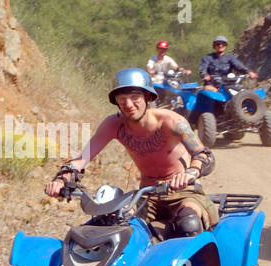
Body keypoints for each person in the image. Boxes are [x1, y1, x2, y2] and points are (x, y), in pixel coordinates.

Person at [44, 68, 218, 237]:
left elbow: (203, 155)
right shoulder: (114, 124)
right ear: (116, 102)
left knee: (189, 223)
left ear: (148, 97)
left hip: (183, 192)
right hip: (147, 195)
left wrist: (190, 173)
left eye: (135, 97)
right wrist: (61, 179)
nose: (128, 104)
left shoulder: (171, 121)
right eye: (122, 98)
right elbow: (82, 159)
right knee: (115, 226)